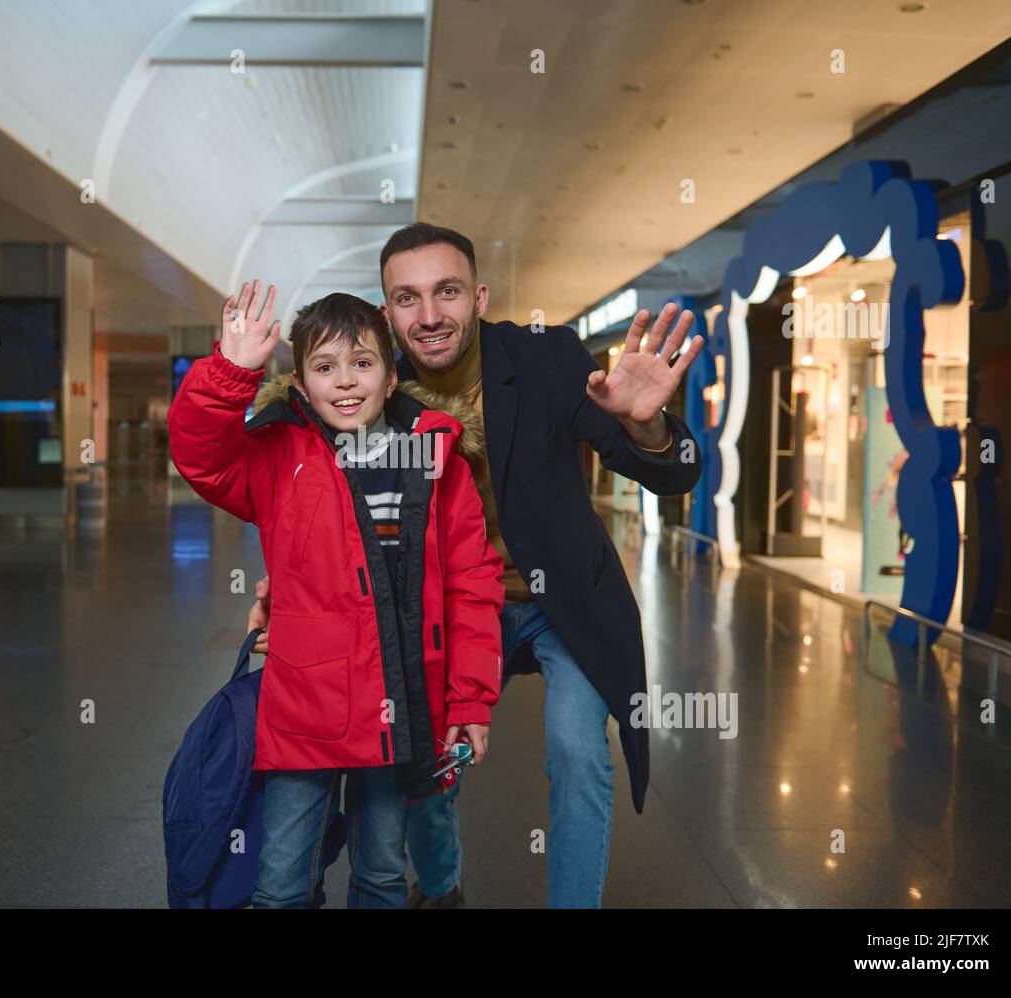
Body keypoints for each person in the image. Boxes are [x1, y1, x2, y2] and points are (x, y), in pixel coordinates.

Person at [249, 223, 705, 908]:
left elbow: (668, 476)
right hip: (442, 607)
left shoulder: (546, 358)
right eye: (407, 298)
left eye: (447, 292)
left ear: (479, 296)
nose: (429, 315)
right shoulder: (369, 383)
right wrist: (289, 582)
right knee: (427, 764)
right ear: (386, 311)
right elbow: (319, 501)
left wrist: (647, 426)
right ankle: (441, 889)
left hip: (563, 605)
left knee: (578, 753)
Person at [168, 281, 503, 908]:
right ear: (300, 385)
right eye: (325, 367)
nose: (345, 382)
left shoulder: (437, 460)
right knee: (281, 884)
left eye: (362, 363)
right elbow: (201, 456)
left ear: (391, 377)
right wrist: (228, 371)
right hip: (305, 706)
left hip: (399, 705)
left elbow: (472, 584)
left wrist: (471, 700)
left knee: (380, 874)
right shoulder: (277, 456)